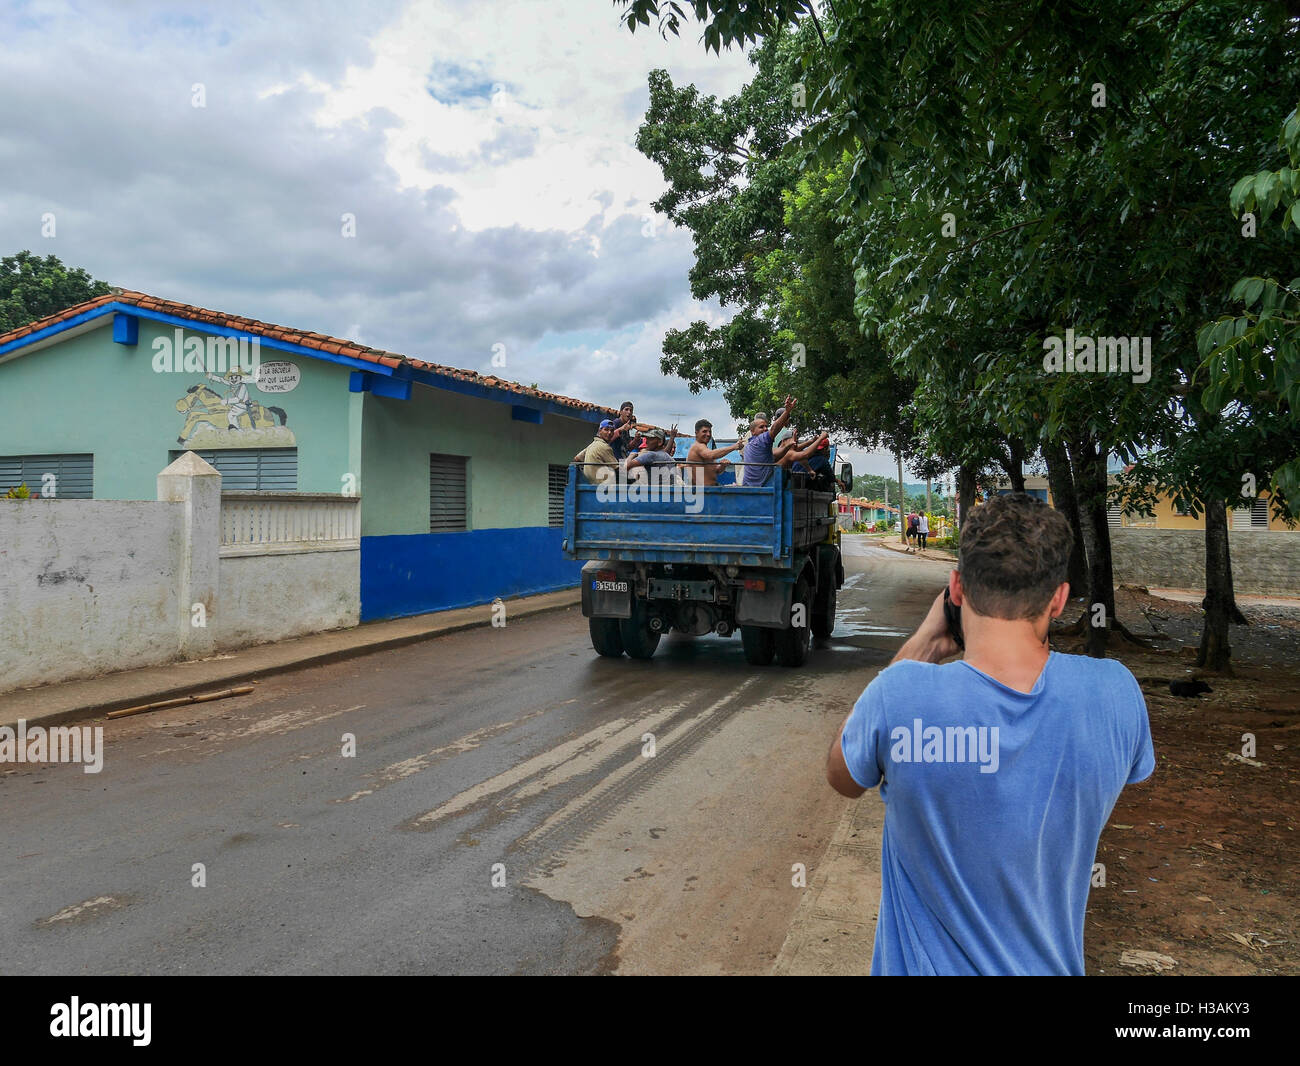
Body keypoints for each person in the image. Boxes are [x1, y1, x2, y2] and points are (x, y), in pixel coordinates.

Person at [825, 493, 1154, 975]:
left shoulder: (901, 694)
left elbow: (842, 776)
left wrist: (922, 643)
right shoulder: (1115, 693)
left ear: (956, 588)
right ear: (1059, 599)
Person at [741, 397, 796, 486]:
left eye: (766, 426)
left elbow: (776, 453)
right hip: (761, 487)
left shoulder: (751, 445)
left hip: (750, 486)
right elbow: (774, 429)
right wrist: (787, 411)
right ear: (752, 431)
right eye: (761, 427)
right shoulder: (759, 441)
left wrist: (787, 447)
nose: (765, 429)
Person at [685, 419, 741, 485]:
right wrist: (734, 447)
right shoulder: (697, 446)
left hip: (712, 490)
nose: (708, 434)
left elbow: (716, 470)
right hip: (703, 491)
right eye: (704, 431)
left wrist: (722, 466)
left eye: (710, 432)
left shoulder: (705, 449)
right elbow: (711, 455)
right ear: (696, 433)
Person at [573, 420, 619, 486]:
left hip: (590, 483)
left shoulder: (592, 445)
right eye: (606, 430)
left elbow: (576, 459)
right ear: (600, 431)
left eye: (612, 431)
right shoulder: (605, 447)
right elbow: (617, 468)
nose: (609, 433)